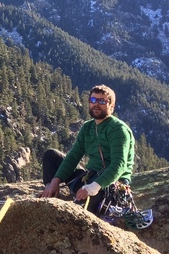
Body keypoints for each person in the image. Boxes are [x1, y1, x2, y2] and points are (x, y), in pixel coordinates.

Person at [38, 84, 135, 215]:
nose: (96, 104)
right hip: (89, 177)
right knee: (51, 155)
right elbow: (73, 157)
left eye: (101, 101)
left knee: (78, 213)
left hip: (110, 185)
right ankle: (50, 192)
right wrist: (54, 181)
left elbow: (119, 166)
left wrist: (93, 187)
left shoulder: (118, 129)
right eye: (93, 100)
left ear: (111, 107)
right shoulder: (87, 127)